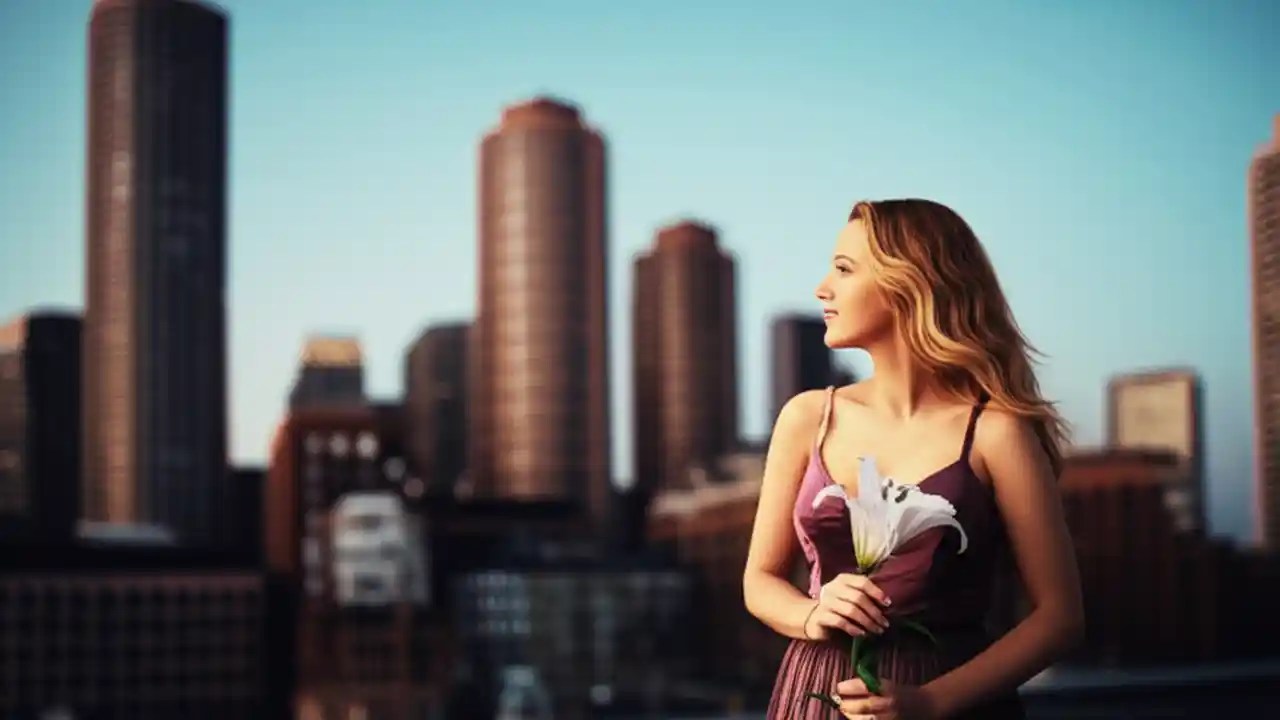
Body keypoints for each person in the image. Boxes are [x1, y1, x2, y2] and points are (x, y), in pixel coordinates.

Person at [743, 199, 1084, 719]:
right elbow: (759, 581)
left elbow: (1060, 618)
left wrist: (930, 701)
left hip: (951, 700)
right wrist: (813, 615)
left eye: (843, 269)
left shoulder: (997, 433)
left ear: (909, 283)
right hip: (817, 694)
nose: (821, 288)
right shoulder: (808, 417)